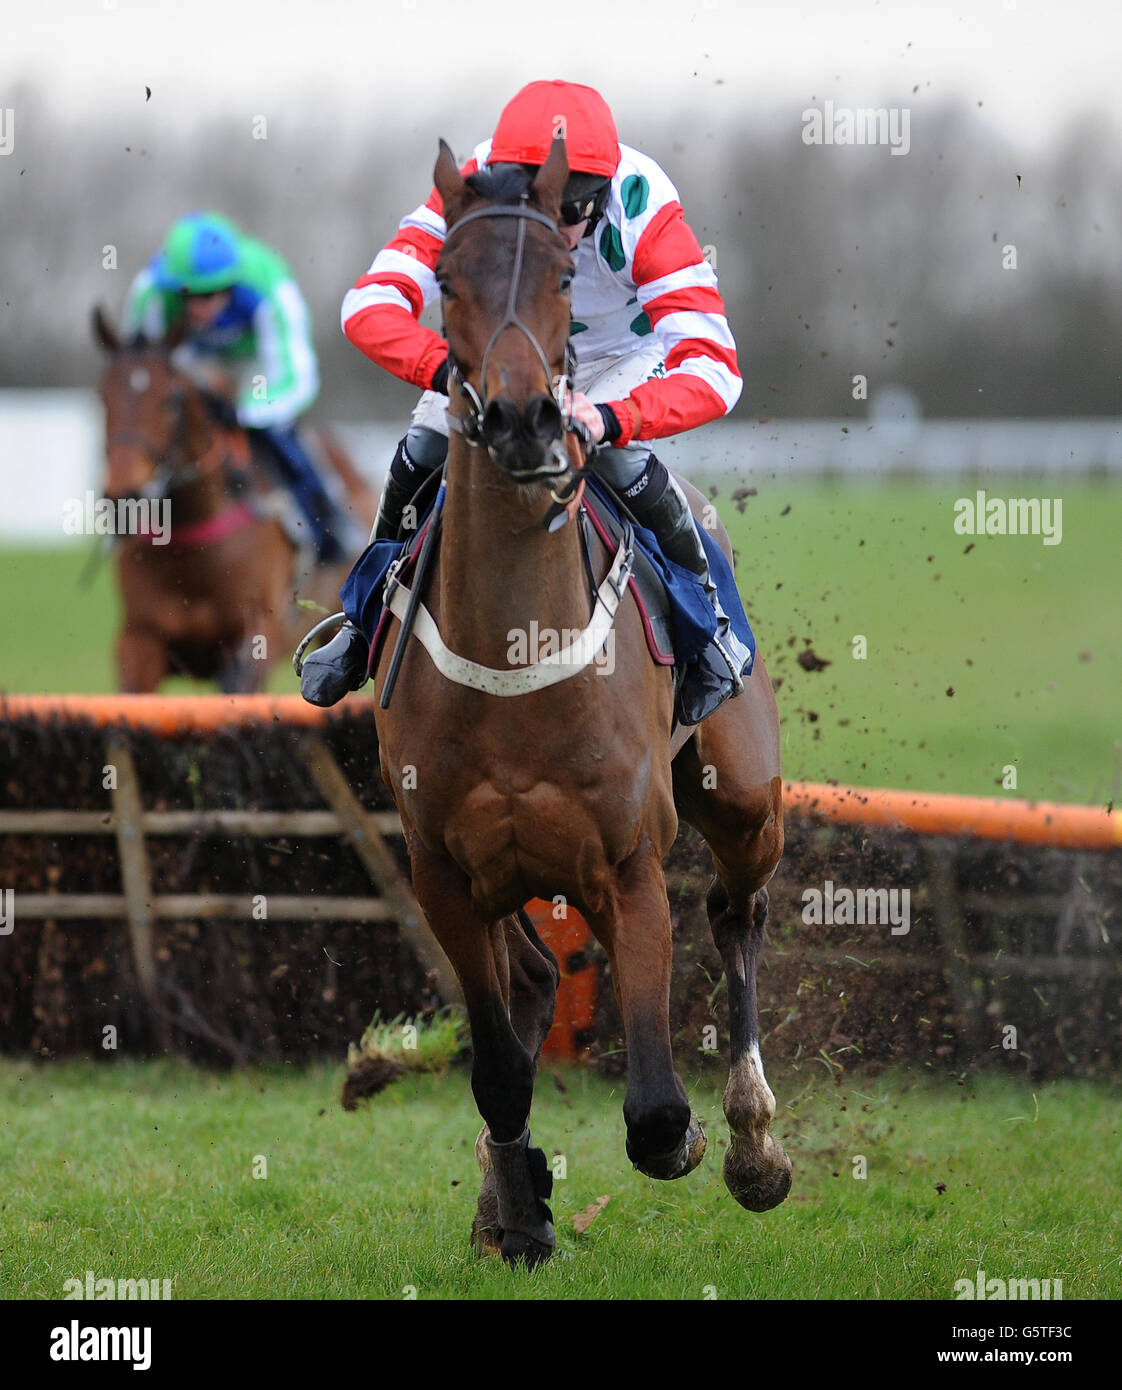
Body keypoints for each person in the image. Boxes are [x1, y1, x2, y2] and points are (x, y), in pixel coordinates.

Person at [303, 80, 751, 720]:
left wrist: (613, 416)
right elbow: (368, 306)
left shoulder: (642, 205)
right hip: (503, 359)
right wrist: (448, 372)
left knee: (618, 461)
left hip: (618, 356)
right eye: (546, 203)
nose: (560, 223)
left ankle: (712, 628)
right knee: (425, 446)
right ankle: (361, 621)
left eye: (574, 209)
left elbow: (715, 368)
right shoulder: (472, 187)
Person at [122, 210, 352, 563]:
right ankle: (127, 523)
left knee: (279, 430)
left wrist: (242, 410)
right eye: (189, 293)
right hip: (190, 362)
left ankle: (328, 524)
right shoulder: (150, 292)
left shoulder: (271, 289)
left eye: (213, 292)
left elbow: (296, 380)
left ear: (233, 282)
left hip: (258, 367)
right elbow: (141, 378)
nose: (200, 305)